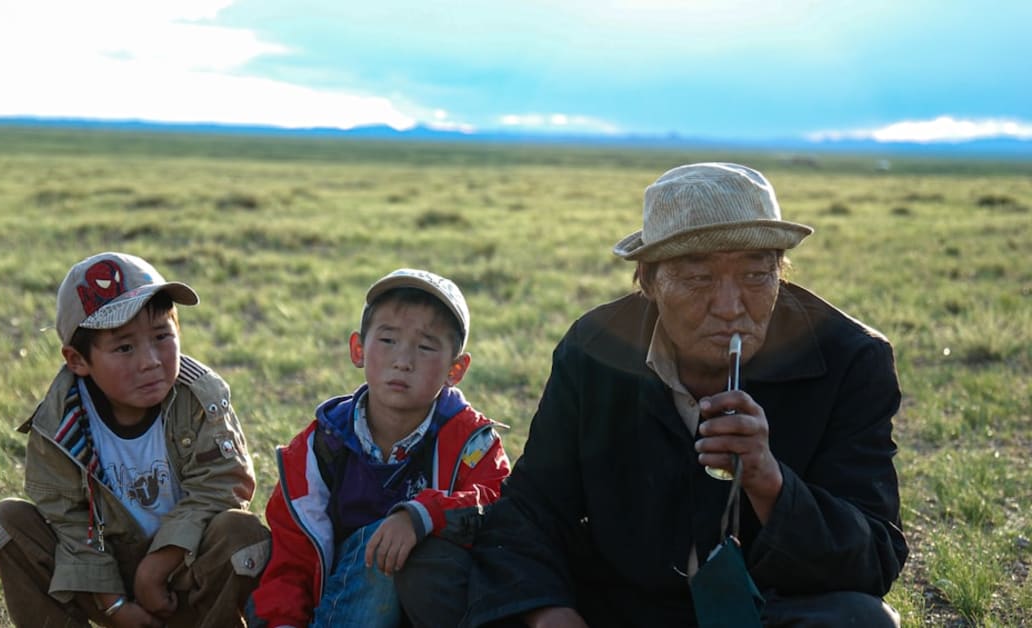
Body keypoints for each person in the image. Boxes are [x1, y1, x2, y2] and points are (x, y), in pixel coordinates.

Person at [459, 162, 908, 626]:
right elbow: (532, 506)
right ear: (649, 282)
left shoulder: (850, 359)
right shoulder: (595, 349)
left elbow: (874, 557)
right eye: (698, 279)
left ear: (781, 273)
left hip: (770, 607)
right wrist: (548, 612)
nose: (731, 307)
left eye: (757, 276)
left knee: (864, 620)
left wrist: (769, 481)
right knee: (450, 571)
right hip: (624, 604)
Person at [0, 251, 270, 628]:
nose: (150, 361)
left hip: (184, 568)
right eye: (124, 347)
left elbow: (224, 483)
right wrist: (114, 605)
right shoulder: (59, 425)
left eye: (162, 336)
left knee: (239, 532)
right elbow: (69, 521)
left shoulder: (198, 396)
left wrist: (157, 567)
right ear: (77, 360)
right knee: (6, 522)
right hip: (102, 579)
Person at [249, 268, 511, 628]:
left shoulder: (471, 442)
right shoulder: (319, 447)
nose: (403, 360)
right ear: (358, 349)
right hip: (338, 603)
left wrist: (421, 515)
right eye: (388, 341)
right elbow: (290, 557)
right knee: (378, 548)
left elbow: (500, 503)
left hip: (430, 606)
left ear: (456, 370)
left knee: (399, 544)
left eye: (425, 346)